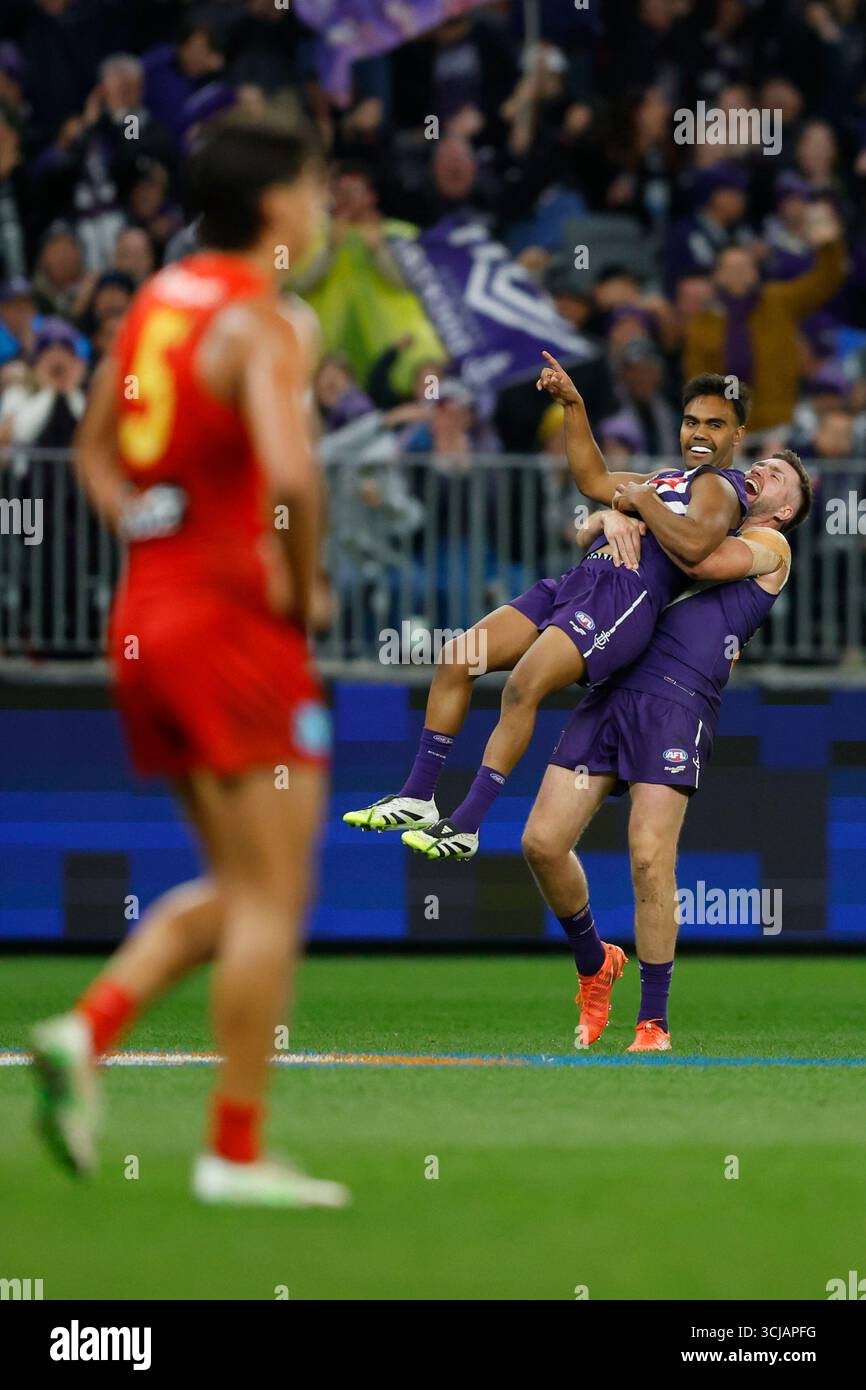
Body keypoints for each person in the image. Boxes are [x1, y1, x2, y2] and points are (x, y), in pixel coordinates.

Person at [29, 112, 347, 1211]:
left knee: (239, 886)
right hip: (228, 619)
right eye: (311, 189)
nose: (321, 209)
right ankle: (235, 1151)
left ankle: (88, 1028)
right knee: (277, 894)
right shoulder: (259, 322)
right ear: (274, 207)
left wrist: (148, 525)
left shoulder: (161, 300)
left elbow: (93, 451)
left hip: (150, 613)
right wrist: (303, 583)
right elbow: (296, 479)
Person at [344, 365, 756, 859]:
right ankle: (417, 797)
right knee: (458, 658)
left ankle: (468, 823)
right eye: (692, 421)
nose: (700, 433)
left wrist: (639, 504)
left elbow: (693, 545)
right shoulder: (666, 478)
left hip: (622, 599)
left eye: (715, 424)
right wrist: (574, 405)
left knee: (523, 685)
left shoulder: (720, 487)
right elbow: (593, 478)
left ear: (738, 434)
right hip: (576, 583)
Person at [522, 450, 812, 1052]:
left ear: (784, 509)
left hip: (676, 701)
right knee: (542, 843)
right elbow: (592, 517)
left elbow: (699, 558)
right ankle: (594, 961)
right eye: (760, 461)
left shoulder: (769, 546)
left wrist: (633, 508)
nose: (762, 469)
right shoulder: (699, 508)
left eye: (779, 475)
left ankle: (653, 1023)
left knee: (650, 857)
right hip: (615, 686)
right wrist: (606, 519)